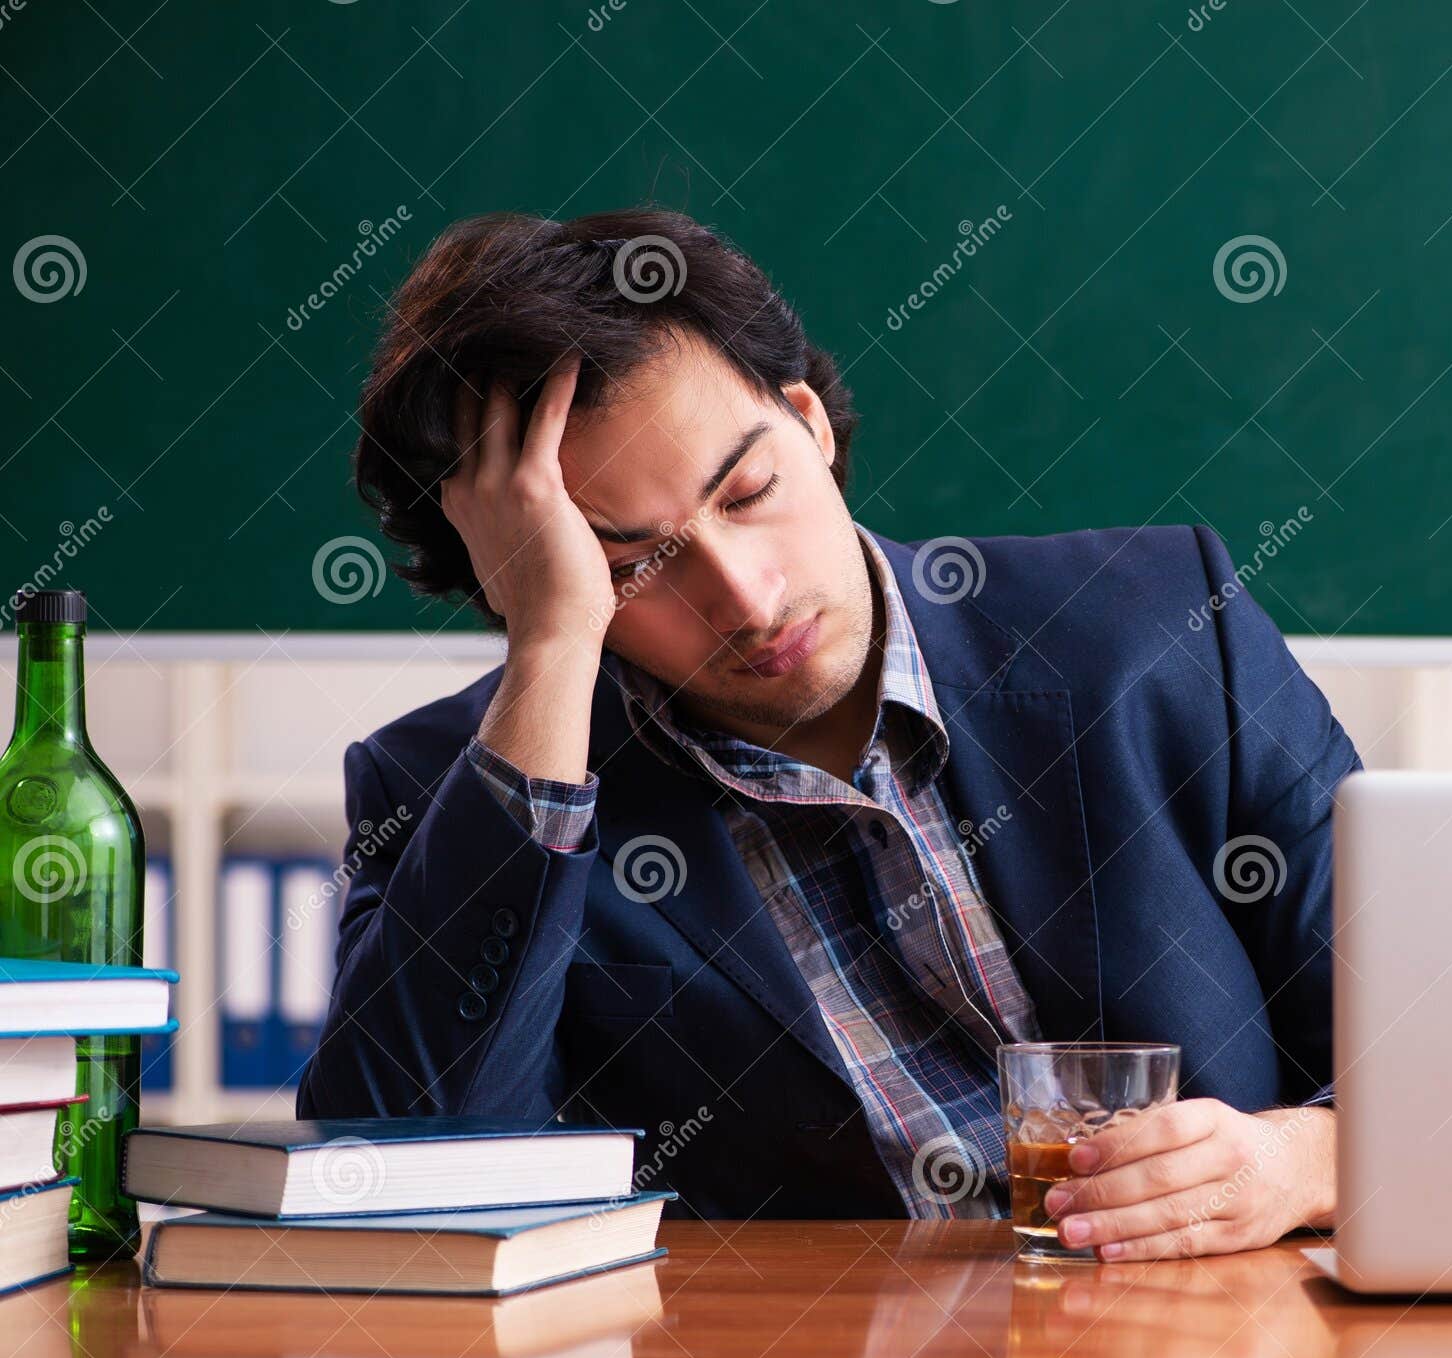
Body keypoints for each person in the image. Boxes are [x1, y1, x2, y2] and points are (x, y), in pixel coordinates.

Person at [298, 207, 1357, 1260]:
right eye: (630, 568)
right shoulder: (455, 791)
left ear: (809, 422)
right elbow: (406, 1188)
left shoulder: (1161, 628)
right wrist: (554, 651)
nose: (746, 599)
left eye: (749, 492)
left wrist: (1301, 1163)